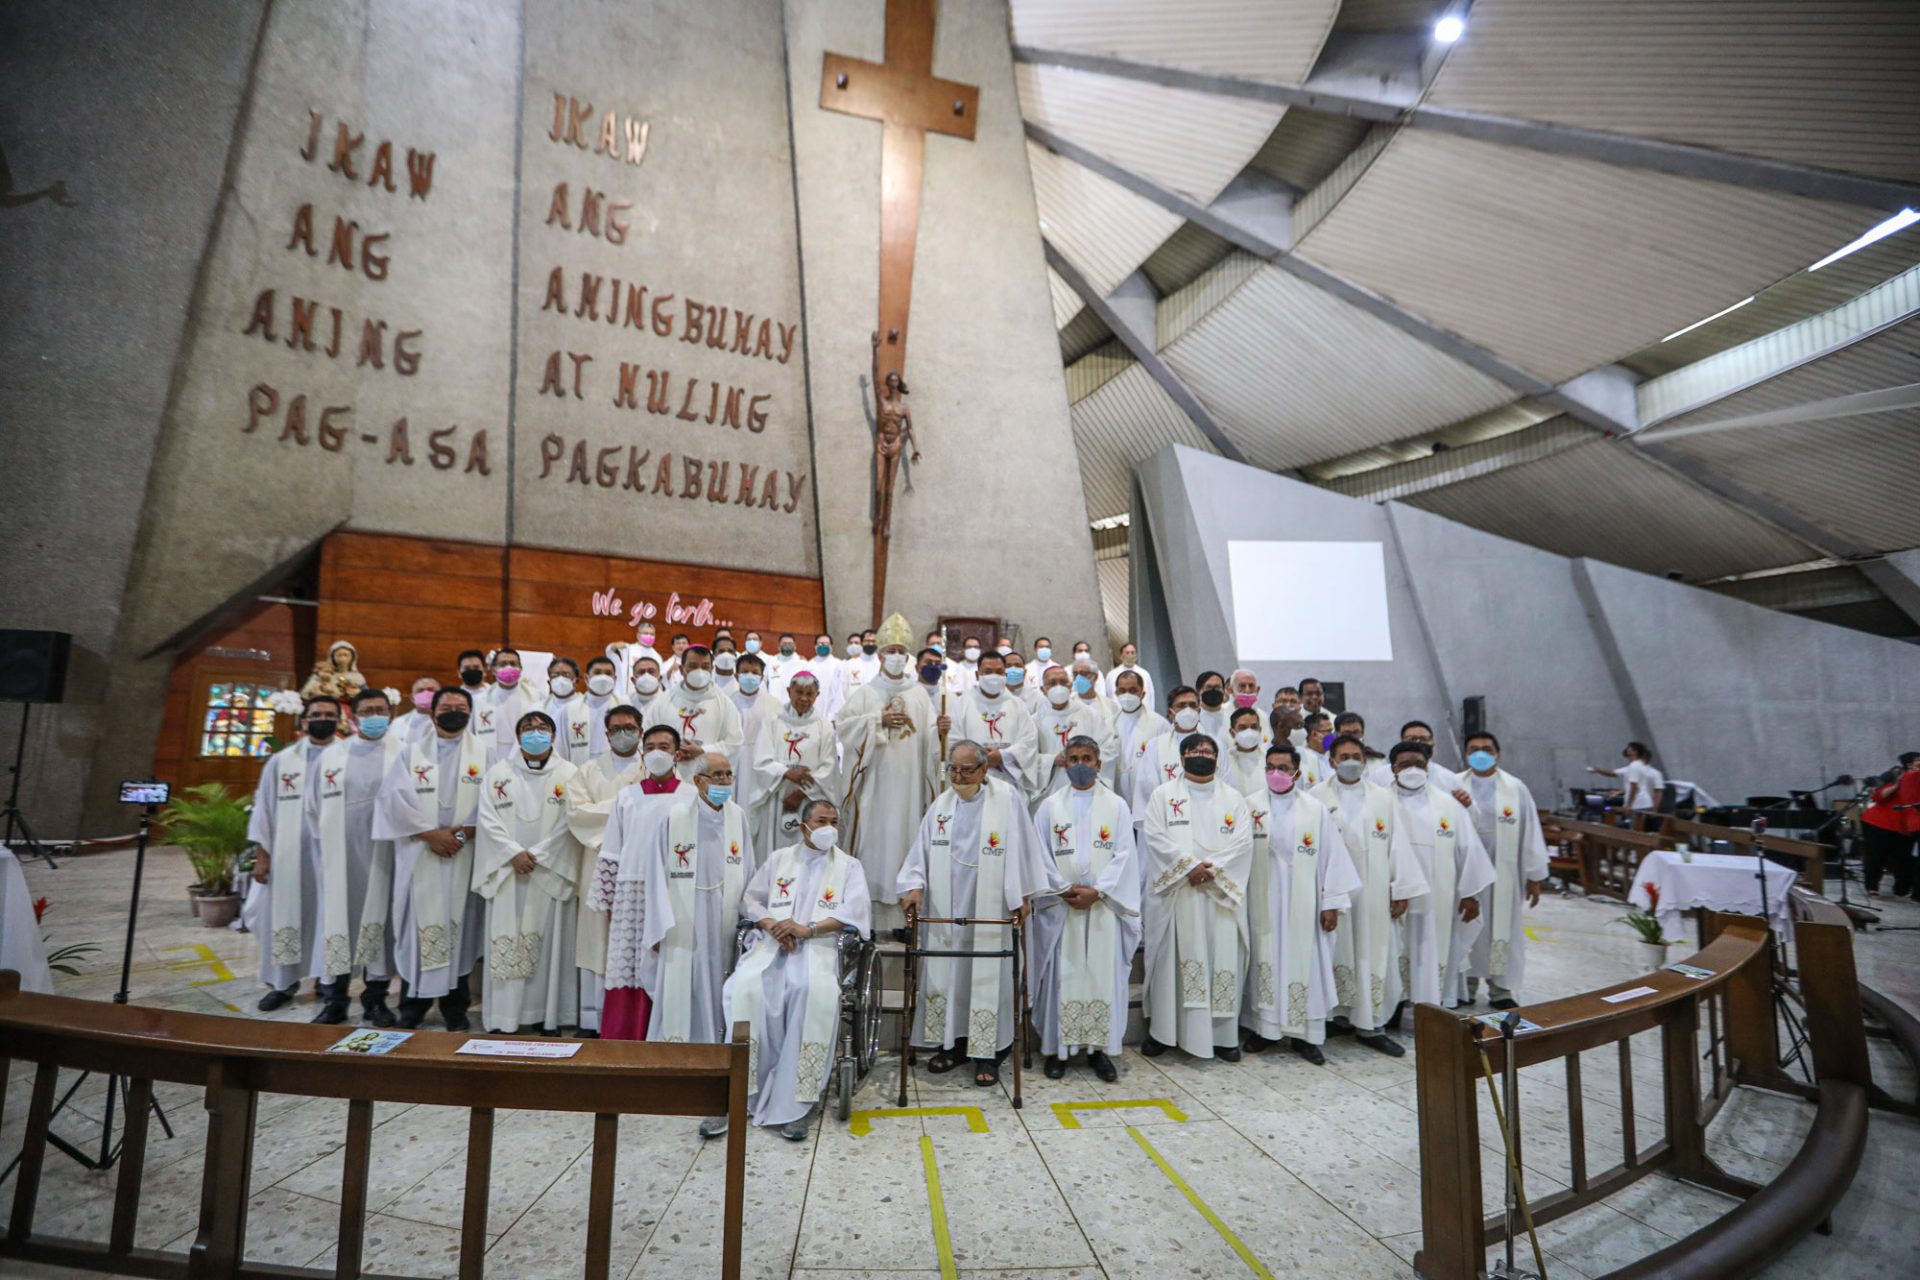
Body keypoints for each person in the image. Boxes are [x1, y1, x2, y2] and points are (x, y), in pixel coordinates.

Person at [898, 740, 1049, 1086]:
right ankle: (953, 1045)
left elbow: (1025, 850)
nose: (958, 777)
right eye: (952, 769)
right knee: (950, 975)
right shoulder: (941, 806)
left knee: (988, 977)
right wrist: (915, 886)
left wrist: (1023, 895)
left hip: (992, 905)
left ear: (983, 770)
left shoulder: (1007, 799)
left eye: (966, 770)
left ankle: (989, 1054)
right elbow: (920, 853)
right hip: (946, 907)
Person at [724, 800, 870, 1140]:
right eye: (821, 821)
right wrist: (772, 925)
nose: (828, 828)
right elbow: (751, 900)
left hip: (818, 948)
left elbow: (855, 911)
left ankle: (798, 1101)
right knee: (745, 987)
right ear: (804, 826)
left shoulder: (849, 867)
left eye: (834, 822)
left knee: (807, 990)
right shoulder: (779, 859)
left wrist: (808, 929)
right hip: (772, 946)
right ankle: (748, 1090)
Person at [247, 694, 393, 1024]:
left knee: (348, 923)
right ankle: (285, 984)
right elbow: (264, 811)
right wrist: (262, 856)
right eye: (316, 714)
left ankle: (360, 996)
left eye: (330, 714)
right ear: (304, 720)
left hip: (351, 856)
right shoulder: (282, 761)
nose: (322, 720)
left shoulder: (352, 752)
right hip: (298, 857)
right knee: (298, 919)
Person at [638, 753, 759, 1137]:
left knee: (723, 991)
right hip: (684, 921)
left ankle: (722, 1069)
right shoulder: (674, 818)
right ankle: (680, 1072)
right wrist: (659, 927)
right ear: (699, 781)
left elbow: (749, 870)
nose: (724, 781)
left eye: (729, 774)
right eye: (717, 775)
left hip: (725, 919)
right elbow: (655, 873)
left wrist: (751, 920)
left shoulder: (738, 816)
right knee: (685, 992)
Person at [373, 685, 489, 1030]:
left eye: (460, 708)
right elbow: (393, 801)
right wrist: (431, 835)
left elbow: (493, 805)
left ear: (470, 713)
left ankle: (456, 1009)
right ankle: (413, 1006)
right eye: (446, 707)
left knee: (459, 930)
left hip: (464, 854)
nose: (453, 712)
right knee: (417, 932)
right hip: (420, 853)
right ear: (432, 712)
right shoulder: (411, 754)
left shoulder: (485, 755)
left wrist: (460, 835)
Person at [1241, 742, 1360, 1064]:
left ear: (1296, 772)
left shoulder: (1314, 809)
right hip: (1262, 901)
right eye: (1270, 768)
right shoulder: (1250, 806)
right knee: (1265, 961)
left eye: (1283, 768)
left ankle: (1306, 1035)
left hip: (1305, 901)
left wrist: (1331, 902)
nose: (1275, 774)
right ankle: (1264, 1030)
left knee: (1307, 965)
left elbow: (1333, 857)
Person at [1029, 736, 1140, 1080]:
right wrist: (1062, 889)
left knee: (1100, 977)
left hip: (1103, 907)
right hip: (1062, 907)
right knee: (1064, 977)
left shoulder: (1117, 806)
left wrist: (1100, 891)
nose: (1080, 765)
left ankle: (1099, 1051)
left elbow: (1125, 854)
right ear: (1065, 763)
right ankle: (1057, 1051)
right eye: (1074, 758)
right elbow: (1039, 853)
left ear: (1098, 764)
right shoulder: (1049, 806)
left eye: (1087, 758)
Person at [1311, 733, 1427, 1055]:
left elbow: (1398, 844)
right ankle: (1337, 1017)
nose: (1351, 762)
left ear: (1365, 762)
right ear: (1331, 762)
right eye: (1344, 757)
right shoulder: (1315, 797)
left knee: (1373, 953)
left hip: (1374, 890)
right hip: (1333, 892)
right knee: (1336, 950)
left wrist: (1401, 889)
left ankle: (1371, 1025)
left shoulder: (1382, 799)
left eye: (1356, 757)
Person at [1140, 732, 1251, 1061]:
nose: (1202, 755)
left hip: (1219, 896)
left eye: (1208, 751)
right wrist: (1189, 867)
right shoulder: (1163, 795)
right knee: (1170, 962)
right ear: (1182, 757)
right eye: (1195, 750)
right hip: (1179, 893)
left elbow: (1243, 843)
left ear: (1217, 758)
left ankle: (1223, 1037)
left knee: (1222, 959)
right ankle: (1164, 1032)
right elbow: (1154, 836)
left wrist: (1211, 870)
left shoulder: (1234, 798)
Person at [473, 710, 582, 1032]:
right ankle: (503, 1018)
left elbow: (571, 822)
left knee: (550, 946)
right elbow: (486, 820)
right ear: (518, 736)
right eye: (528, 728)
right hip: (508, 873)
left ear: (554, 735)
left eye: (543, 727)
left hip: (549, 872)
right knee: (507, 940)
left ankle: (549, 1017)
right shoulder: (498, 774)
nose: (536, 732)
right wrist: (513, 854)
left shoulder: (570, 773)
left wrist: (537, 856)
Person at [835, 614, 940, 935]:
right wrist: (875, 721)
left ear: (907, 659)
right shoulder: (867, 693)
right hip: (874, 787)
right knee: (873, 844)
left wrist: (941, 733)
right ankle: (869, 921)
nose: (895, 656)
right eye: (890, 651)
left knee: (907, 841)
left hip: (910, 789)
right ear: (880, 655)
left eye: (900, 651)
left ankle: (904, 919)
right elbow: (844, 728)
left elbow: (933, 743)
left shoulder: (919, 695)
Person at [1386, 740, 1492, 1019]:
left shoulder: (1448, 805)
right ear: (1393, 768)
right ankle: (1391, 1011)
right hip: (1392, 895)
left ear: (1428, 768)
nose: (1412, 769)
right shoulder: (1378, 802)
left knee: (1430, 951)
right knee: (1393, 951)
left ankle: (1429, 1011)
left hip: (1438, 898)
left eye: (1419, 764)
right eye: (1405, 764)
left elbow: (1468, 849)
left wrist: (1470, 894)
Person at [594, 724, 687, 1039]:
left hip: (677, 893)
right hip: (632, 893)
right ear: (642, 753)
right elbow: (611, 849)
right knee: (630, 965)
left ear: (677, 754)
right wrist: (610, 901)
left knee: (671, 961)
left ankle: (669, 1036)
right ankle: (627, 1037)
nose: (657, 752)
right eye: (651, 747)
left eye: (665, 746)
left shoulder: (691, 796)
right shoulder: (627, 796)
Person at [565, 703, 647, 1036]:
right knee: (596, 935)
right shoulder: (587, 770)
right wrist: (629, 809)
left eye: (630, 728)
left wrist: (625, 816)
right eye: (616, 729)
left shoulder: (652, 769)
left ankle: (634, 1017)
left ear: (640, 731)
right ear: (606, 733)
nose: (623, 734)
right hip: (598, 860)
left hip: (641, 863)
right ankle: (592, 1018)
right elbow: (577, 813)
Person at [1458, 733, 1549, 1007]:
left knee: (1503, 927)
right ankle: (1465, 985)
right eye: (1474, 749)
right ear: (1466, 755)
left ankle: (1500, 989)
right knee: (1465, 925)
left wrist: (1535, 876)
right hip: (1467, 870)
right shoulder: (1455, 784)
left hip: (1504, 871)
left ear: (1498, 754)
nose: (1480, 754)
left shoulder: (1515, 788)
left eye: (1487, 749)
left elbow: (1530, 831)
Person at [750, 670, 840, 855]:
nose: (804, 698)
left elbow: (829, 767)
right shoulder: (772, 721)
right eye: (799, 692)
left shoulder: (824, 726)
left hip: (810, 799)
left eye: (809, 694)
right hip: (777, 795)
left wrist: (801, 793)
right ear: (789, 691)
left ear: (817, 695)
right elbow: (761, 760)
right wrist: (786, 772)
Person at [940, 650, 1038, 794]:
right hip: (972, 782)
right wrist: (979, 759)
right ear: (977, 675)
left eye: (999, 672)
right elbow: (953, 740)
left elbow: (1029, 740)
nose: (994, 676)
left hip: (1009, 782)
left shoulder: (1017, 705)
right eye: (988, 671)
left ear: (1005, 675)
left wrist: (1003, 757)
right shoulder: (961, 704)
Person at [643, 645, 744, 781]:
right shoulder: (663, 702)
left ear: (712, 669)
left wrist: (703, 751)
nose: (699, 671)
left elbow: (735, 743)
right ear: (681, 669)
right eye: (693, 666)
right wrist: (669, 753)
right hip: (669, 778)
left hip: (709, 779)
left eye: (705, 667)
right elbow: (646, 738)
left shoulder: (724, 703)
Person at [1031, 665, 1119, 802]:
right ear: (1043, 689)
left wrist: (1085, 759)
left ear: (1070, 685)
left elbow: (1109, 749)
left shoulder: (1090, 715)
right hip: (1050, 793)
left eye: (1063, 682)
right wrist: (1052, 760)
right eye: (1052, 683)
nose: (1058, 687)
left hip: (1087, 789)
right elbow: (1026, 758)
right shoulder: (1035, 721)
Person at [1131, 686, 1203, 833]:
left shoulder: (1215, 746)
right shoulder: (1155, 746)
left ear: (1199, 710)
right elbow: (1147, 787)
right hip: (1168, 823)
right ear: (1170, 712)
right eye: (1181, 705)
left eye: (1192, 705)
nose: (1188, 710)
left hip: (1206, 820)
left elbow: (1224, 786)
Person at [1860, 752, 1920, 899]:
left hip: (1906, 828)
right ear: (1909, 764)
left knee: (1905, 860)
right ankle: (1872, 887)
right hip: (1879, 824)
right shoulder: (1899, 777)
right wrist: (1897, 785)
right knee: (1876, 857)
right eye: (1918, 760)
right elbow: (1878, 796)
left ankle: (1902, 889)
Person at [728, 652, 774, 820]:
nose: (750, 676)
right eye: (745, 672)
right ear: (736, 676)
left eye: (755, 673)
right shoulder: (727, 702)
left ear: (762, 677)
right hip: (734, 761)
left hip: (761, 762)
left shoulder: (774, 705)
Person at [1111, 669, 1165, 807]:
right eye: (1122, 690)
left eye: (1132, 690)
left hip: (1148, 792)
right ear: (1116, 693)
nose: (1127, 695)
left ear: (1142, 693)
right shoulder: (1108, 725)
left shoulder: (1159, 724)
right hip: (1118, 791)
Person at [474, 646, 539, 759]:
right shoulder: (479, 700)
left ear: (520, 668)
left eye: (513, 664)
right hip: (492, 756)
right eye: (503, 664)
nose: (509, 667)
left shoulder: (536, 696)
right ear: (493, 669)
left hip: (525, 754)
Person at [542, 657, 595, 765]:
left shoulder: (589, 708)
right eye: (555, 676)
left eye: (566, 675)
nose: (560, 679)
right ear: (549, 682)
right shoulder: (538, 709)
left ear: (576, 681)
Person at [1589, 741, 1665, 811]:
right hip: (1643, 803)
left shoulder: (1635, 766)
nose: (1627, 749)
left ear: (1635, 752)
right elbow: (1613, 773)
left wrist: (1629, 804)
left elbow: (1634, 786)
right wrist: (1598, 770)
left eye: (1629, 748)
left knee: (1632, 822)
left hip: (1638, 803)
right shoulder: (1639, 766)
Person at [1218, 706, 1269, 803]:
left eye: (1254, 727)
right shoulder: (1225, 761)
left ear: (1260, 730)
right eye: (1243, 728)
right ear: (1232, 732)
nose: (1249, 732)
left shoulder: (1269, 757)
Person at [1102, 641, 1154, 710]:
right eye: (1127, 653)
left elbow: (1150, 697)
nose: (1130, 655)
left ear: (1136, 656)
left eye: (1132, 653)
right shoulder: (1111, 675)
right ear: (1121, 656)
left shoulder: (1145, 674)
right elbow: (1108, 696)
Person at [1194, 670, 1231, 753]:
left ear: (1224, 690)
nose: (1213, 691)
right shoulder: (1192, 718)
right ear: (1199, 691)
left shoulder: (1231, 716)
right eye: (1208, 688)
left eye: (1218, 687)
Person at [396, 676, 441, 744]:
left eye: (431, 690)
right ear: (412, 698)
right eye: (420, 691)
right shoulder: (398, 723)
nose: (426, 694)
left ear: (441, 695)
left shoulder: (451, 720)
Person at [1299, 712, 1333, 789]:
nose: (1332, 735)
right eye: (1328, 731)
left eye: (1331, 731)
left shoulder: (1331, 757)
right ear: (1314, 734)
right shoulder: (1303, 759)